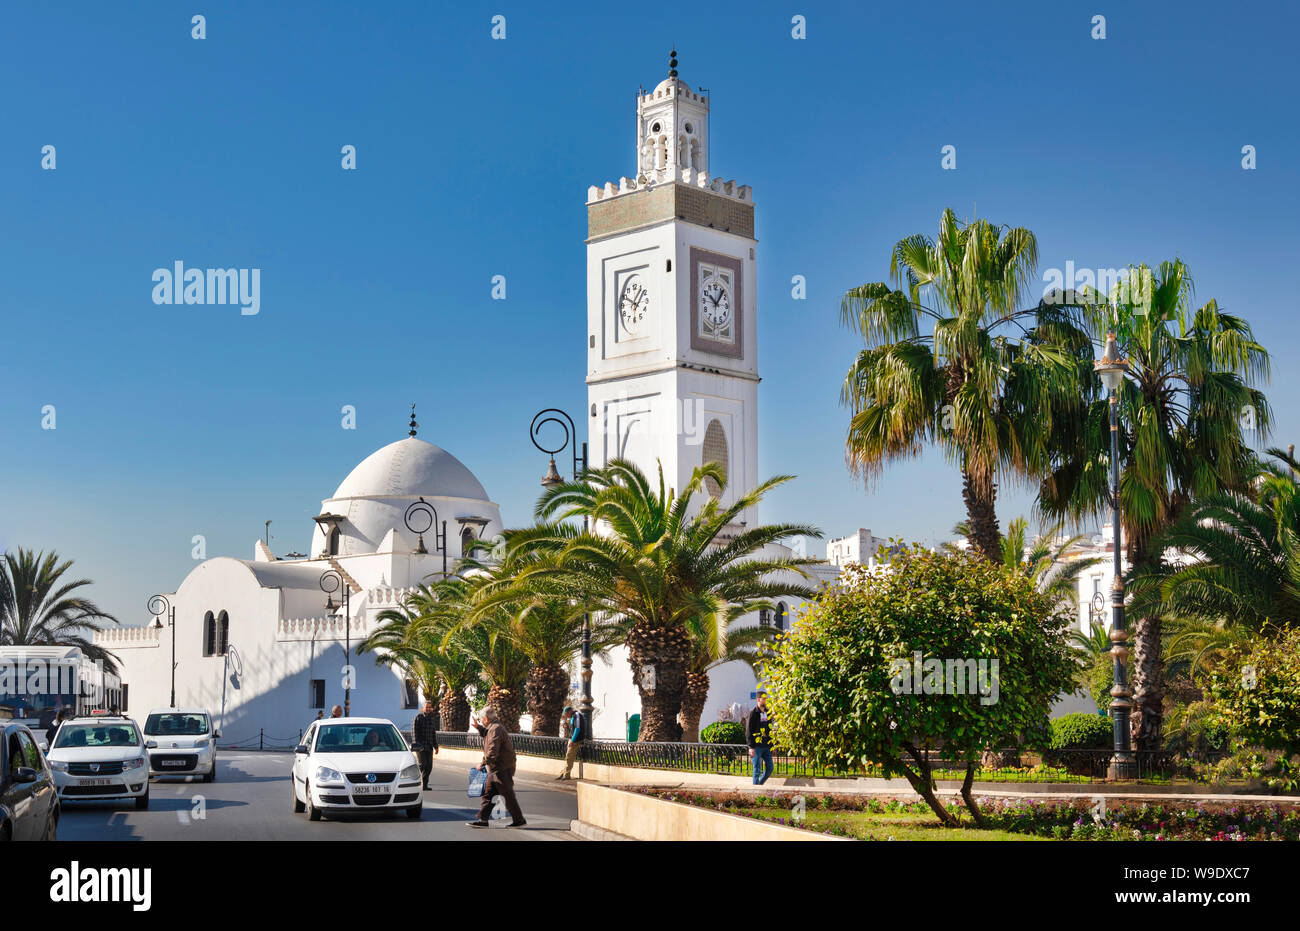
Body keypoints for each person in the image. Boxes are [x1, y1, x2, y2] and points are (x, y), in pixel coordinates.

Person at [467, 707, 525, 828]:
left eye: (482, 719)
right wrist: (478, 727)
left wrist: (482, 763)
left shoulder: (496, 729)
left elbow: (493, 750)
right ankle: (483, 820)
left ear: (486, 719)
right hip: (495, 768)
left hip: (502, 768)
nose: (482, 721)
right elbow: (486, 734)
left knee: (508, 794)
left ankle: (519, 820)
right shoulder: (493, 728)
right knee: (488, 794)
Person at [746, 689, 774, 786]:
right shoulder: (753, 713)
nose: (766, 700)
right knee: (757, 769)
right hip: (756, 747)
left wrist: (772, 745)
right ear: (758, 699)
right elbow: (749, 730)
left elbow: (770, 729)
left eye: (766, 699)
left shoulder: (768, 712)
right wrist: (751, 747)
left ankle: (759, 786)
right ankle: (755, 789)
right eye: (764, 699)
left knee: (770, 768)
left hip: (766, 746)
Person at [411, 700, 440, 790]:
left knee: (429, 767)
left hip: (429, 746)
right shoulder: (418, 718)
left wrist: (436, 746)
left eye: (429, 707)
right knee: (423, 765)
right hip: (420, 746)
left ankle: (424, 785)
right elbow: (414, 732)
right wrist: (416, 744)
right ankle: (417, 782)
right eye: (426, 707)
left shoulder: (431, 718)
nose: (428, 709)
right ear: (423, 708)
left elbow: (433, 733)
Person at [555, 705, 584, 781]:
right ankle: (563, 773)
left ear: (569, 711)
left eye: (566, 714)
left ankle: (566, 774)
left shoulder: (577, 715)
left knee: (569, 756)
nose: (566, 716)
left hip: (576, 740)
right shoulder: (572, 717)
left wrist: (573, 740)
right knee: (567, 757)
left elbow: (577, 729)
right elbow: (573, 729)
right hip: (571, 739)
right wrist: (567, 727)